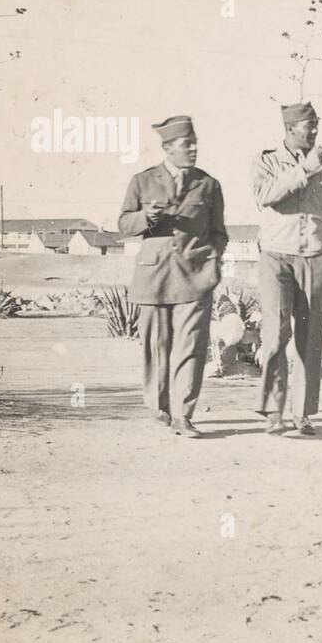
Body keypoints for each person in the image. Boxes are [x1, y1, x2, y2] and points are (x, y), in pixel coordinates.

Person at [118, 115, 228, 439]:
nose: (193, 149)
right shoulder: (143, 180)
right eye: (186, 144)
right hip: (153, 276)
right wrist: (145, 217)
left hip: (195, 277)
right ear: (167, 148)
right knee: (157, 344)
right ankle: (159, 406)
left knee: (191, 345)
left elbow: (219, 233)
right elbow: (124, 225)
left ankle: (184, 414)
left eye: (194, 142)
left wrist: (211, 262)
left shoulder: (209, 184)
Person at [251, 101, 322, 436]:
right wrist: (305, 170)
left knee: (310, 339)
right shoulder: (266, 161)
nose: (314, 131)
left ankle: (303, 413)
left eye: (315, 125)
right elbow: (265, 194)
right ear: (289, 128)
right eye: (308, 126)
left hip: (316, 258)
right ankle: (272, 411)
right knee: (274, 334)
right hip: (276, 257)